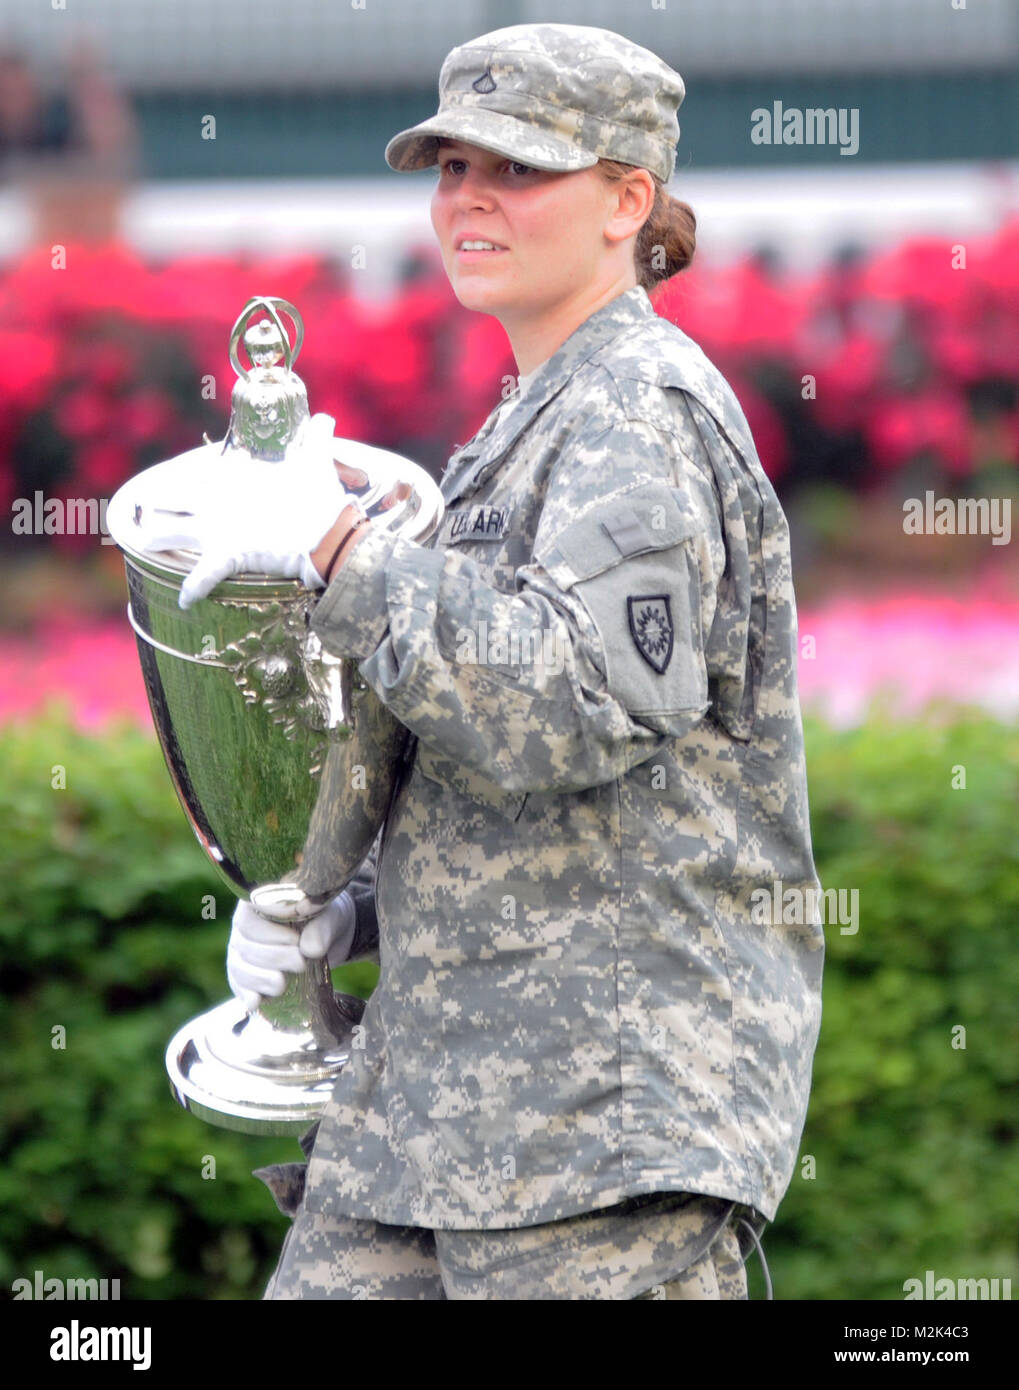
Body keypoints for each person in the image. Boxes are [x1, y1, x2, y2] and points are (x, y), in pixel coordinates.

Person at [211, 21, 825, 1300]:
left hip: (597, 1129)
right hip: (438, 1113)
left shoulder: (638, 408)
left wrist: (338, 550)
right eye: (447, 166)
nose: (466, 198)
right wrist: (339, 899)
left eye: (515, 166)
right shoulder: (535, 411)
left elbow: (581, 702)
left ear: (626, 200)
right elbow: (492, 775)